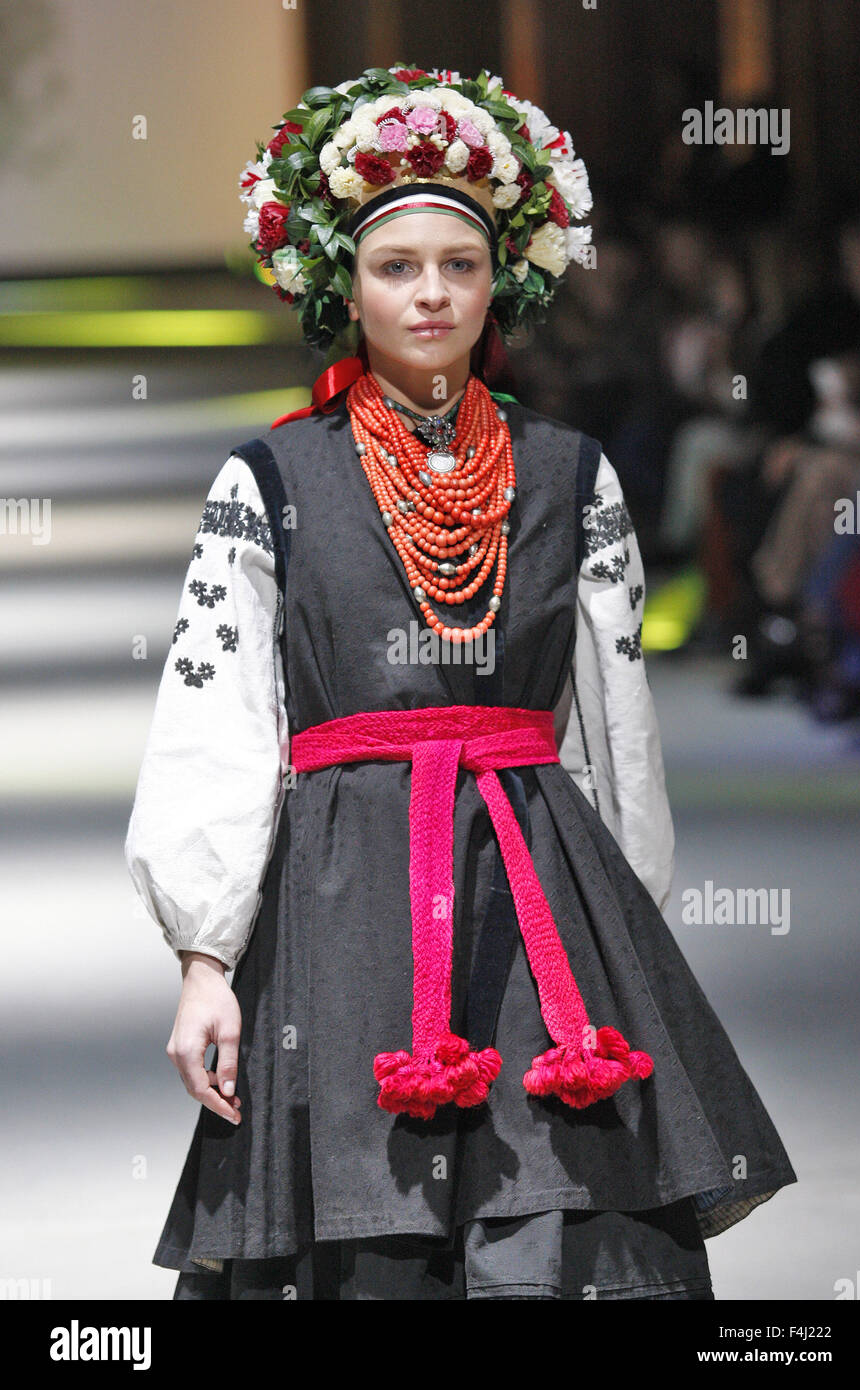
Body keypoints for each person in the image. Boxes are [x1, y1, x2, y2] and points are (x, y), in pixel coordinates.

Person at [125, 64, 797, 1301]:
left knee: (551, 1221)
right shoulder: (268, 483)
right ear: (346, 285)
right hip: (342, 897)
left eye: (459, 264)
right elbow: (216, 720)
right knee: (370, 1227)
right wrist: (206, 960)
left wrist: (626, 936)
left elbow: (614, 727)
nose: (431, 292)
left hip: (538, 895)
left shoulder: (572, 475)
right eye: (396, 266)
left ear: (504, 280)